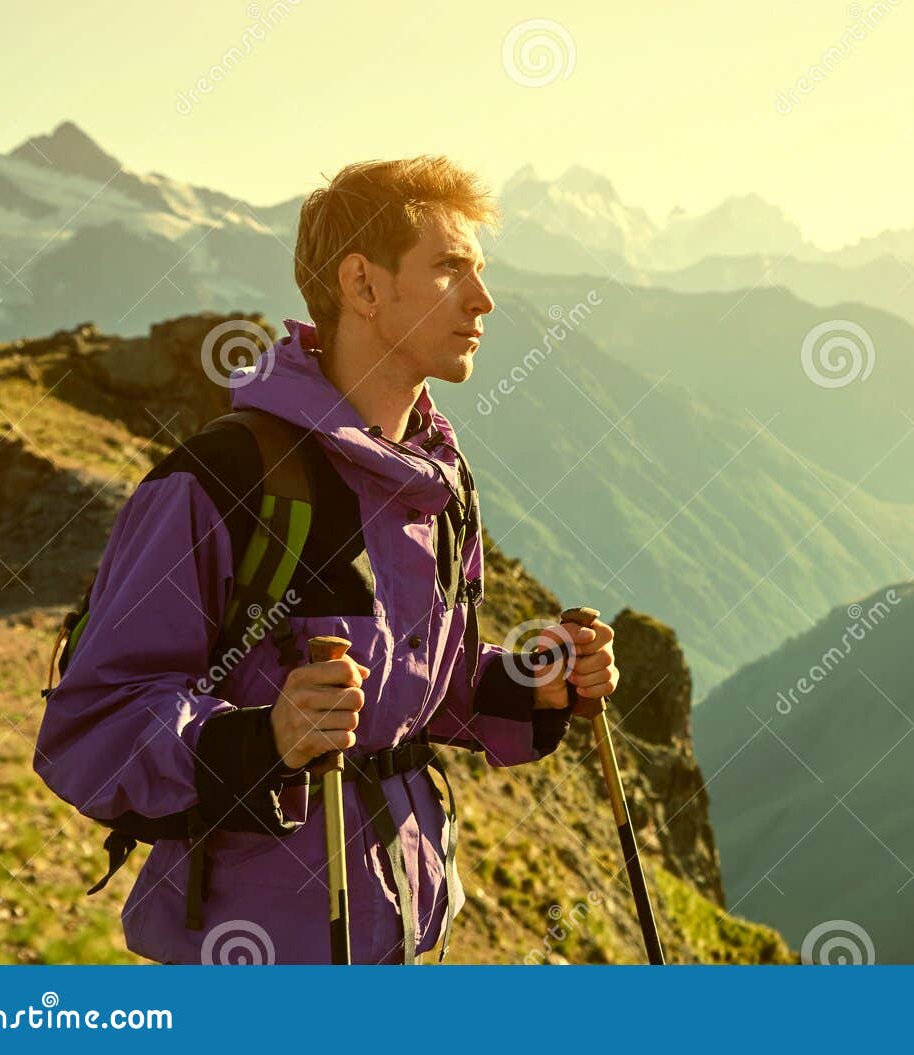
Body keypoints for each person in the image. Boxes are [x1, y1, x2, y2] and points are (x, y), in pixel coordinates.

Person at [33, 156, 619, 965]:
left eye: (480, 273)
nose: (484, 301)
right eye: (451, 269)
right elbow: (88, 727)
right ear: (364, 286)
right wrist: (262, 738)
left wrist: (536, 682)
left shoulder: (435, 481)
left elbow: (425, 695)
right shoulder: (224, 481)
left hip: (400, 943)